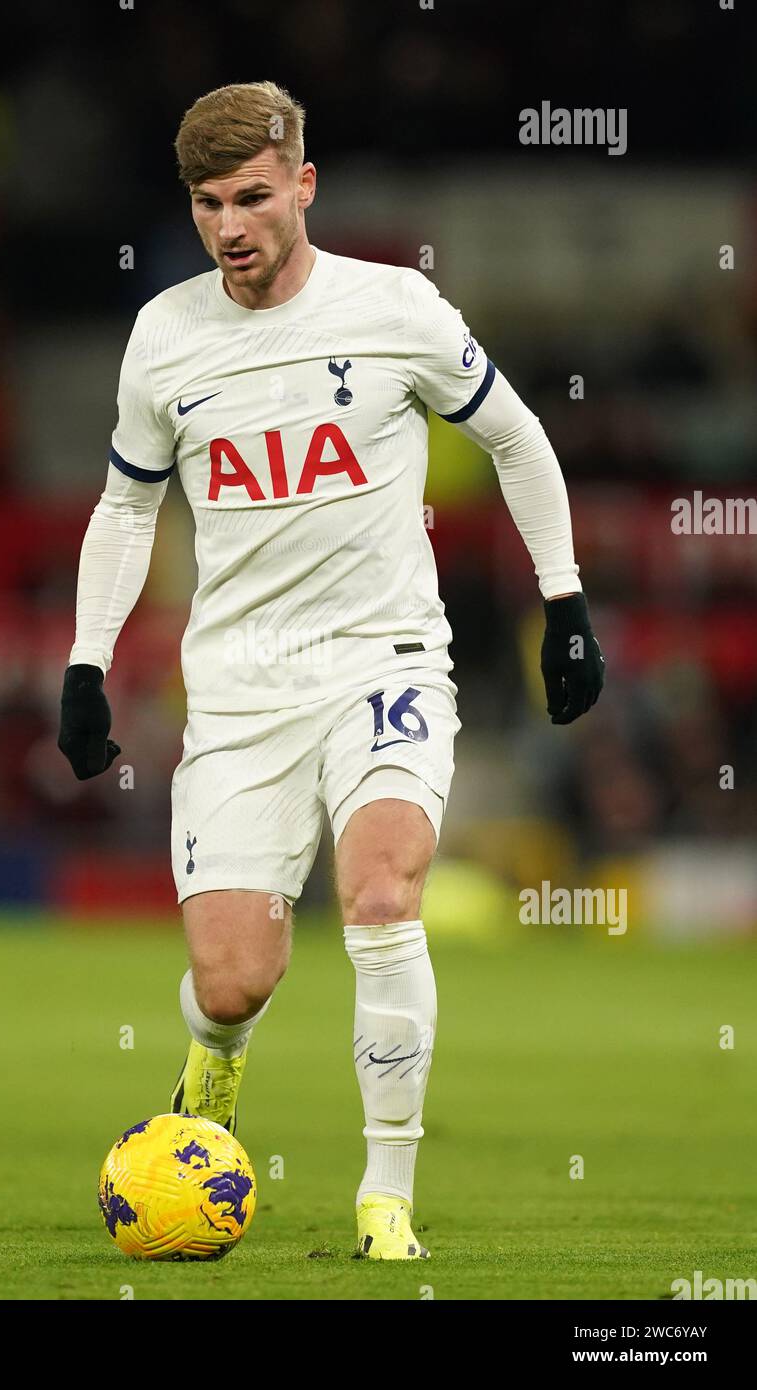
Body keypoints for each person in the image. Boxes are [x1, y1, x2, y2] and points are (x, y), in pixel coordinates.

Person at [58, 80, 604, 1260]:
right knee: (235, 977)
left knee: (382, 894)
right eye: (208, 205)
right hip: (241, 691)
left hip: (383, 660)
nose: (231, 228)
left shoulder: (395, 307)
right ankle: (216, 1058)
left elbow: (515, 433)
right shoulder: (167, 335)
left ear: (304, 185)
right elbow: (123, 505)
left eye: (253, 197)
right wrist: (87, 664)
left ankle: (385, 1193)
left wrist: (563, 599)